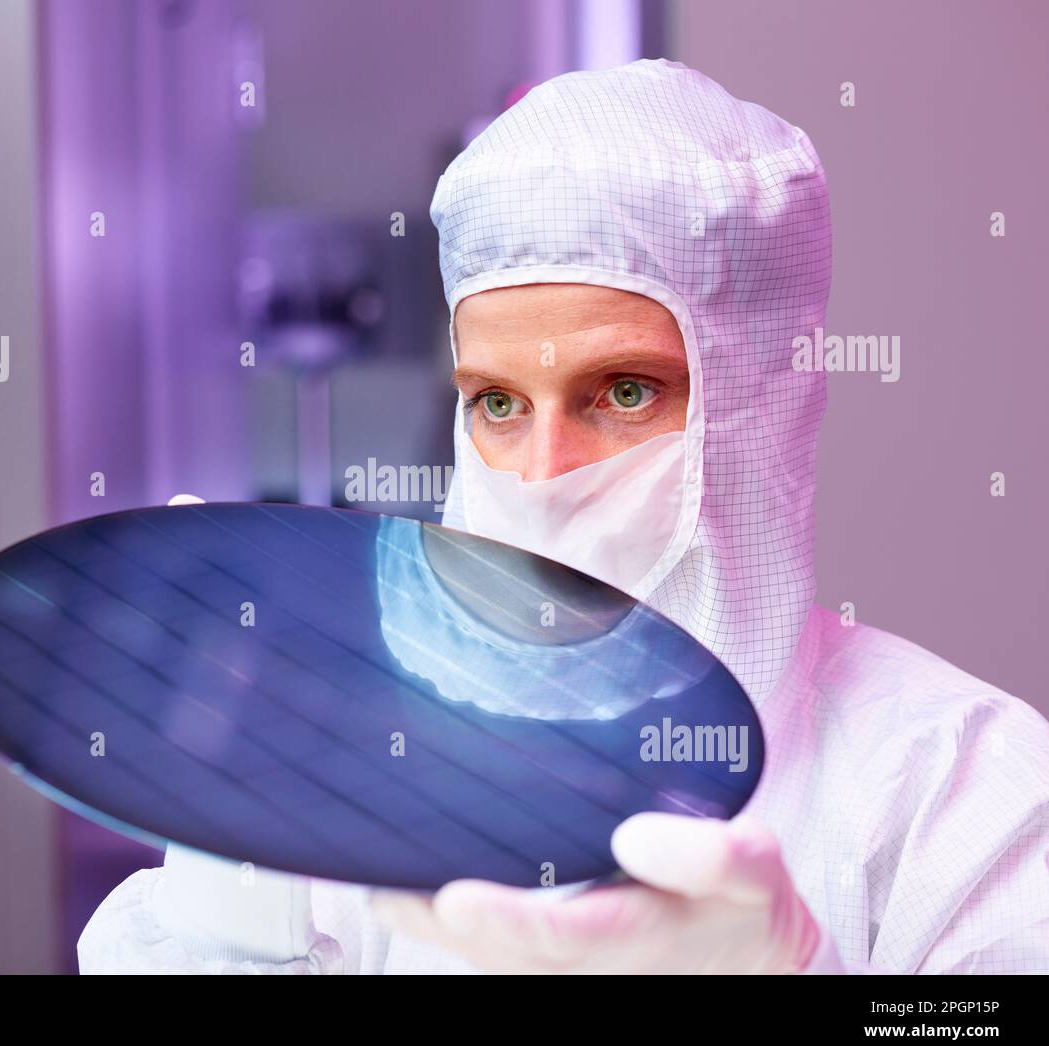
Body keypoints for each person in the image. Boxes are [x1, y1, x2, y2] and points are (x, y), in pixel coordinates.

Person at [76, 59, 1049, 974]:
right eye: (497, 403)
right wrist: (232, 909)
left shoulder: (961, 787)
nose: (544, 477)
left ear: (759, 407)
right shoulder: (362, 765)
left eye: (622, 392)